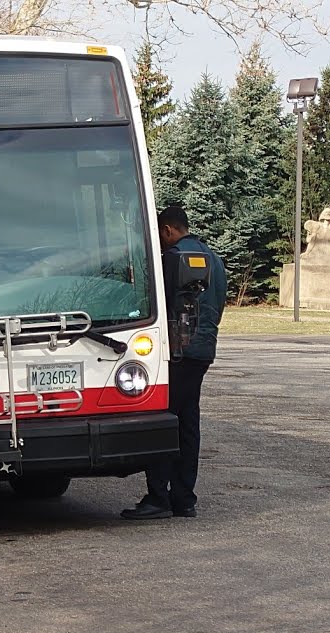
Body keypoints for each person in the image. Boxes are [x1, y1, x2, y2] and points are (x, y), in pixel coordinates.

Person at [121, 205, 227, 520]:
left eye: (160, 234)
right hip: (203, 350)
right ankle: (184, 498)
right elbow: (218, 305)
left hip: (176, 352)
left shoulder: (171, 258)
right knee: (188, 422)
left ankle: (158, 497)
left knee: (163, 420)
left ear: (167, 230)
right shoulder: (215, 259)